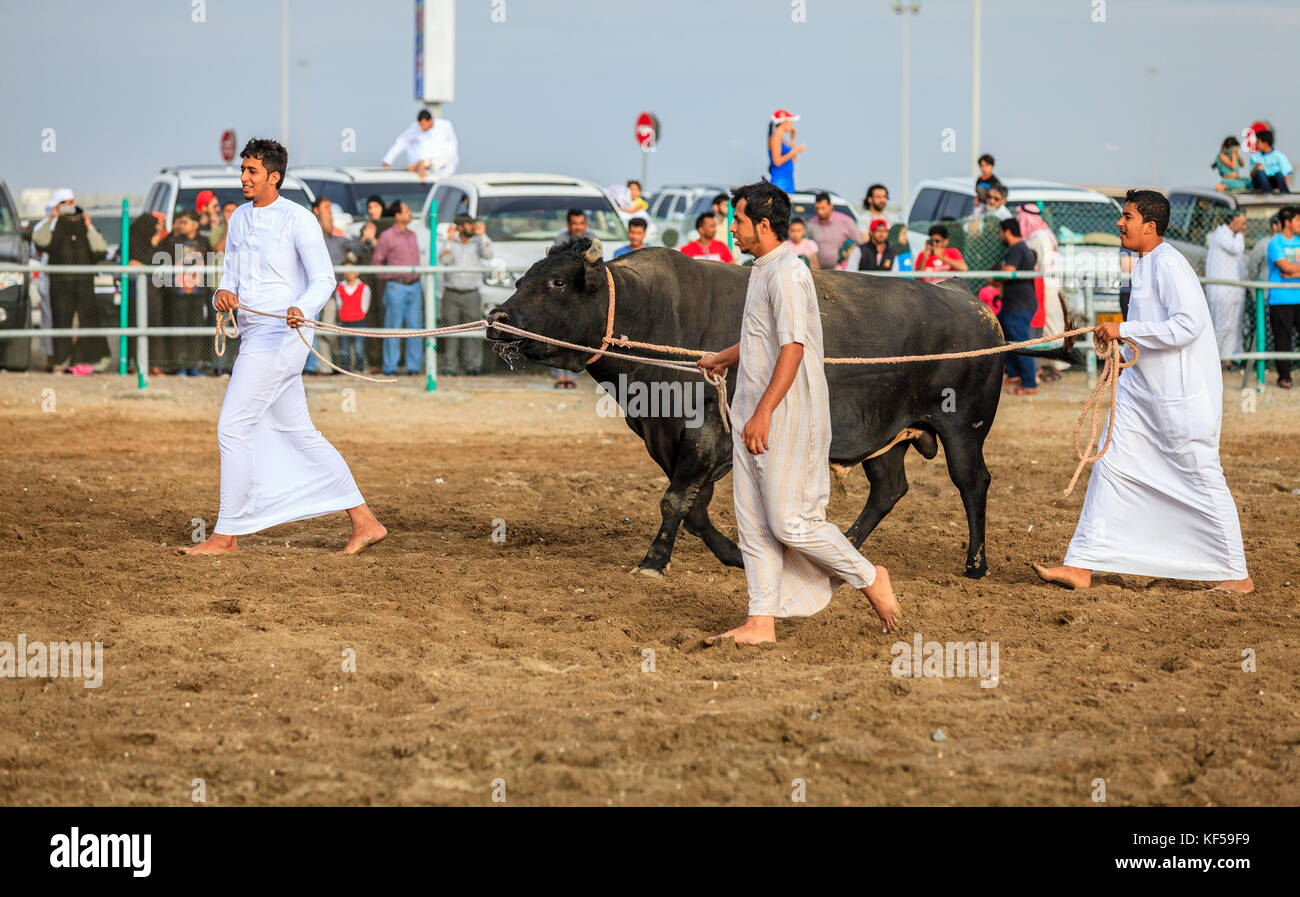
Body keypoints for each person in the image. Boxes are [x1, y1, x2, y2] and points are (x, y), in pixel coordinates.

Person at [695, 180, 899, 644]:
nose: (732, 228)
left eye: (740, 220)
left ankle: (869, 577)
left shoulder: (788, 273)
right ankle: (760, 620)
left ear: (763, 225)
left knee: (791, 522)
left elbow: (792, 348)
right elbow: (761, 340)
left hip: (785, 415)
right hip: (753, 411)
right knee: (753, 520)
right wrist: (724, 358)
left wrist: (764, 412)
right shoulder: (763, 268)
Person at [1034, 189, 1251, 592]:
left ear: (1149, 227)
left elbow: (1188, 326)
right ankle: (1082, 563)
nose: (1120, 223)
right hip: (1142, 394)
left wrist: (1125, 330)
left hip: (1179, 398)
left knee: (1202, 475)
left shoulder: (1170, 265)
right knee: (1110, 464)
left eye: (1128, 217)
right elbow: (1152, 331)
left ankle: (1236, 573)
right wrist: (1118, 344)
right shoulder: (1145, 263)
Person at [182, 138, 386, 556]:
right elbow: (231, 274)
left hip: (284, 335)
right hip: (254, 333)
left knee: (232, 428)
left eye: (252, 171)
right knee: (300, 432)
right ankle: (365, 521)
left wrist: (303, 307)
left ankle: (225, 536)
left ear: (274, 177)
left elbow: (323, 279)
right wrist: (222, 293)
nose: (243, 178)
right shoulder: (238, 218)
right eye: (242, 170)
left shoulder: (299, 219)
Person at [33, 189, 110, 372]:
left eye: (72, 206)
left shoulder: (85, 231)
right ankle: (58, 361)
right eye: (65, 205)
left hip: (83, 287)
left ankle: (83, 362)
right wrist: (53, 218)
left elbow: (100, 250)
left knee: (86, 322)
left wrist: (89, 225)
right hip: (58, 286)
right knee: (58, 322)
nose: (70, 212)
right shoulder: (52, 226)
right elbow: (40, 243)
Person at [372, 201, 423, 376]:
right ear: (397, 215)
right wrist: (392, 275)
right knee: (393, 327)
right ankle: (390, 366)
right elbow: (376, 263)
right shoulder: (387, 237)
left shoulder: (413, 235)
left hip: (415, 287)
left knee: (415, 328)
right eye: (407, 210)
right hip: (396, 286)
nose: (410, 213)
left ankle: (413, 367)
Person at [437, 214, 492, 375]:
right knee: (451, 331)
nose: (471, 227)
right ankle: (450, 367)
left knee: (473, 331)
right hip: (451, 293)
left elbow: (489, 254)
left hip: (472, 294)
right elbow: (445, 260)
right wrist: (448, 239)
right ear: (460, 227)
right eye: (468, 224)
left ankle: (472, 366)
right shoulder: (450, 242)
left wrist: (482, 235)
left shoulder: (478, 242)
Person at [303, 197, 347, 375]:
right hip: (310, 291)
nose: (330, 211)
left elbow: (355, 246)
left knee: (328, 329)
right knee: (309, 329)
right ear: (316, 211)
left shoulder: (337, 237)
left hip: (330, 292)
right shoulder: (307, 232)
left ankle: (337, 358)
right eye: (327, 208)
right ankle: (318, 367)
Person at [997, 219, 1038, 395]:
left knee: (1020, 342)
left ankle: (1029, 383)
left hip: (1019, 305)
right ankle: (1014, 375)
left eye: (1000, 232)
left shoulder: (1017, 248)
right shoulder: (1023, 248)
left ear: (1007, 231)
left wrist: (994, 279)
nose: (1000, 236)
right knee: (1003, 337)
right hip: (1014, 304)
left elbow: (1008, 271)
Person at [1205, 209, 1248, 365]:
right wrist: (1240, 234)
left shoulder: (1232, 236)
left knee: (1233, 326)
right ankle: (1215, 359)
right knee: (1221, 325)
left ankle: (1228, 359)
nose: (1244, 227)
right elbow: (1236, 248)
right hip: (1222, 290)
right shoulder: (1221, 234)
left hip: (1236, 290)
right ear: (1233, 220)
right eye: (1242, 223)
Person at [1266, 204, 1300, 388]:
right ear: (1287, 222)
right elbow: (1284, 268)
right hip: (1281, 299)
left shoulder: (1299, 241)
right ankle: (1284, 377)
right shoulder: (1275, 243)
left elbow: (1289, 270)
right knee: (1283, 340)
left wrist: (1293, 273)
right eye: (1297, 219)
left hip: (1299, 298)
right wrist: (1290, 271)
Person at [381, 108, 458, 178]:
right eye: (420, 125)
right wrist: (388, 159)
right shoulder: (415, 128)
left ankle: (423, 164)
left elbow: (452, 145)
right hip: (422, 168)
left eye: (423, 125)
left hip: (443, 168)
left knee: (449, 152)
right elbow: (402, 141)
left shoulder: (445, 125)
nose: (421, 128)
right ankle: (420, 165)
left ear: (430, 121)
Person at [803, 192, 858, 269]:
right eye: (817, 208)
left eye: (823, 208)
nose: (820, 212)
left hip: (841, 271)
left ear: (831, 206)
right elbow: (805, 245)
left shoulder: (846, 221)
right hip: (818, 272)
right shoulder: (811, 224)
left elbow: (858, 244)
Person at [334, 265, 371, 373]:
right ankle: (346, 369)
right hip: (345, 321)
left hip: (358, 321)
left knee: (359, 347)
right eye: (346, 270)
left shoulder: (364, 287)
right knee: (344, 348)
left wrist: (359, 314)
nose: (349, 273)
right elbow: (339, 304)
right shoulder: (340, 287)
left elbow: (365, 304)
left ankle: (360, 368)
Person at [767, 110, 804, 193]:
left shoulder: (782, 139)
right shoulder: (775, 138)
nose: (792, 125)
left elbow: (793, 161)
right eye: (790, 122)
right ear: (784, 122)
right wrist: (795, 151)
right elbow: (777, 162)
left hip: (788, 178)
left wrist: (792, 140)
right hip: (780, 179)